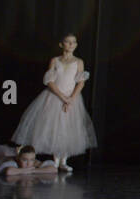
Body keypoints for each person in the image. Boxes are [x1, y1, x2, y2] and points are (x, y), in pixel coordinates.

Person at [10, 34, 96, 171]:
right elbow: (50, 81)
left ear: (76, 45)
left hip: (71, 99)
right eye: (68, 42)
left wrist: (71, 99)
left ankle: (64, 160)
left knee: (68, 128)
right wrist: (62, 97)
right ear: (62, 44)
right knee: (54, 128)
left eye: (73, 42)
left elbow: (80, 83)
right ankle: (55, 161)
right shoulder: (55, 60)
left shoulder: (79, 62)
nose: (71, 44)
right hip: (55, 97)